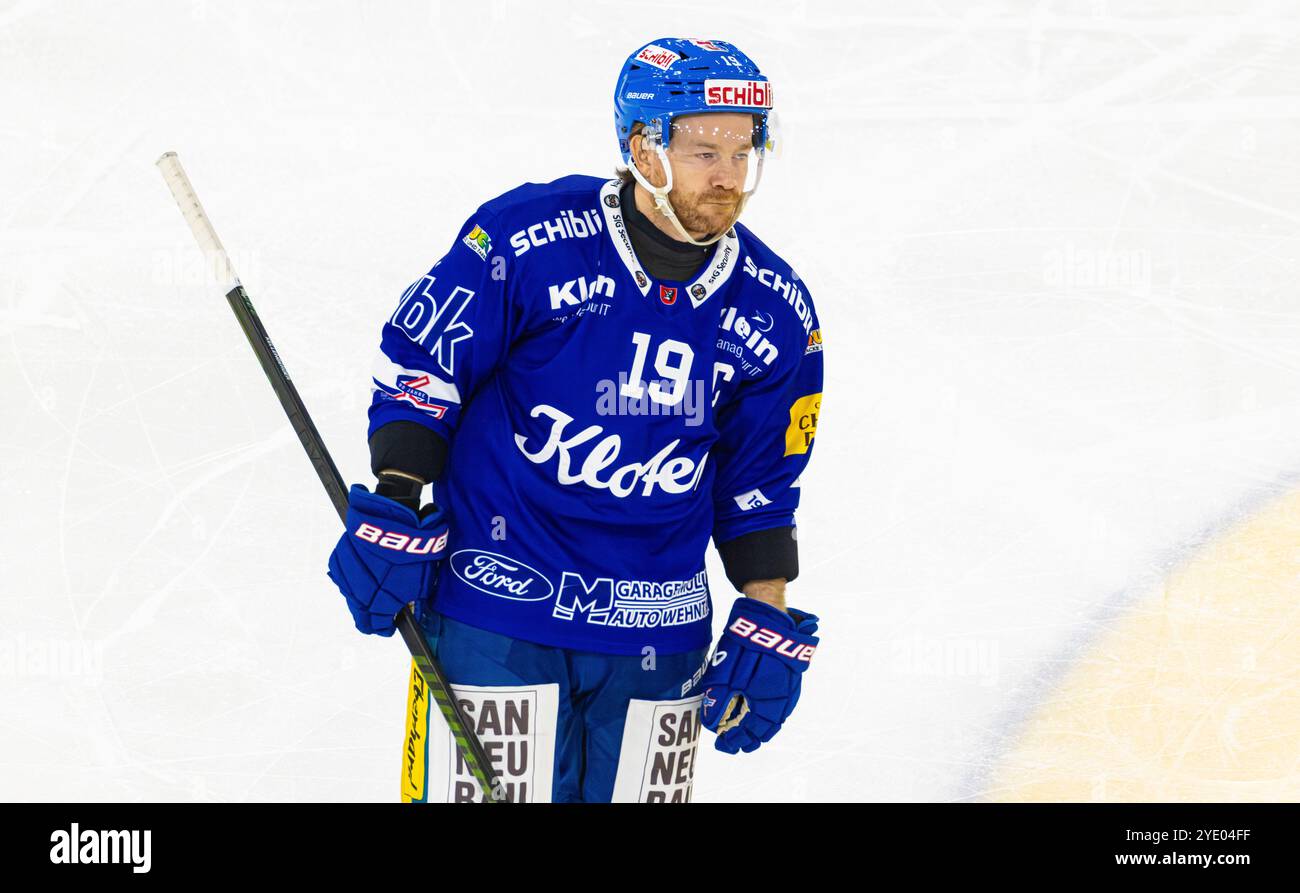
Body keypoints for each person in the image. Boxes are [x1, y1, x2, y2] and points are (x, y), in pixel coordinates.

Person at [327, 37, 823, 803]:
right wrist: (396, 494)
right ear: (642, 147)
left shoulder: (774, 308)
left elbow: (759, 483)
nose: (728, 178)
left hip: (659, 635)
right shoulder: (528, 238)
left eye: (743, 151)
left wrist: (767, 602)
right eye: (704, 152)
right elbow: (428, 363)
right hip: (497, 614)